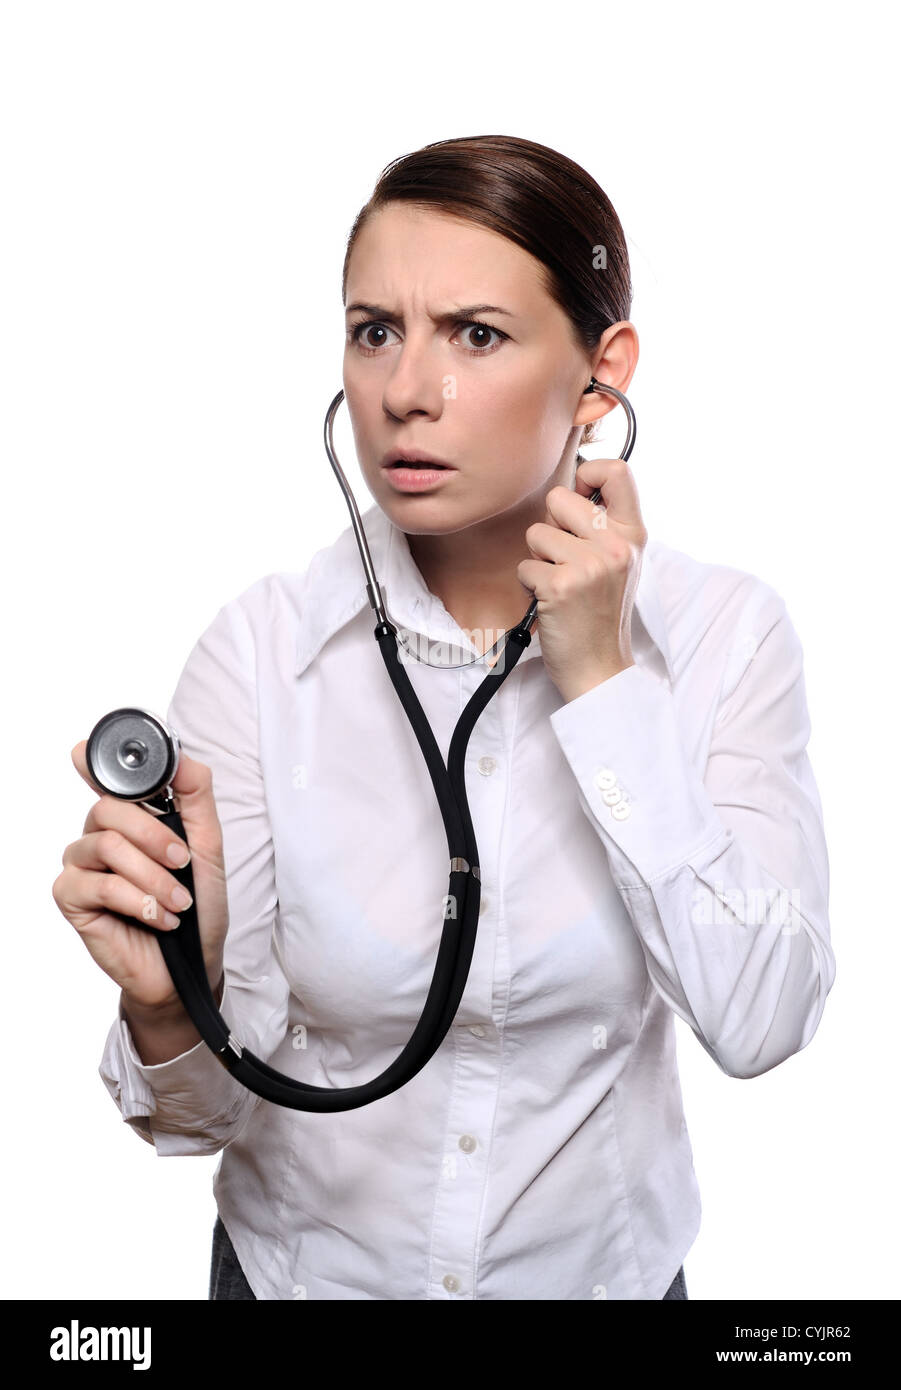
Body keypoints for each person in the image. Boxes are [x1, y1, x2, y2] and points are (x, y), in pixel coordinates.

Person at [52, 134, 835, 1301]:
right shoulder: (262, 653)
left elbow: (762, 1017)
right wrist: (174, 998)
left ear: (601, 374)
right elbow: (196, 1124)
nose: (406, 390)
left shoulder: (726, 637)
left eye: (475, 334)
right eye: (376, 330)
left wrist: (605, 684)